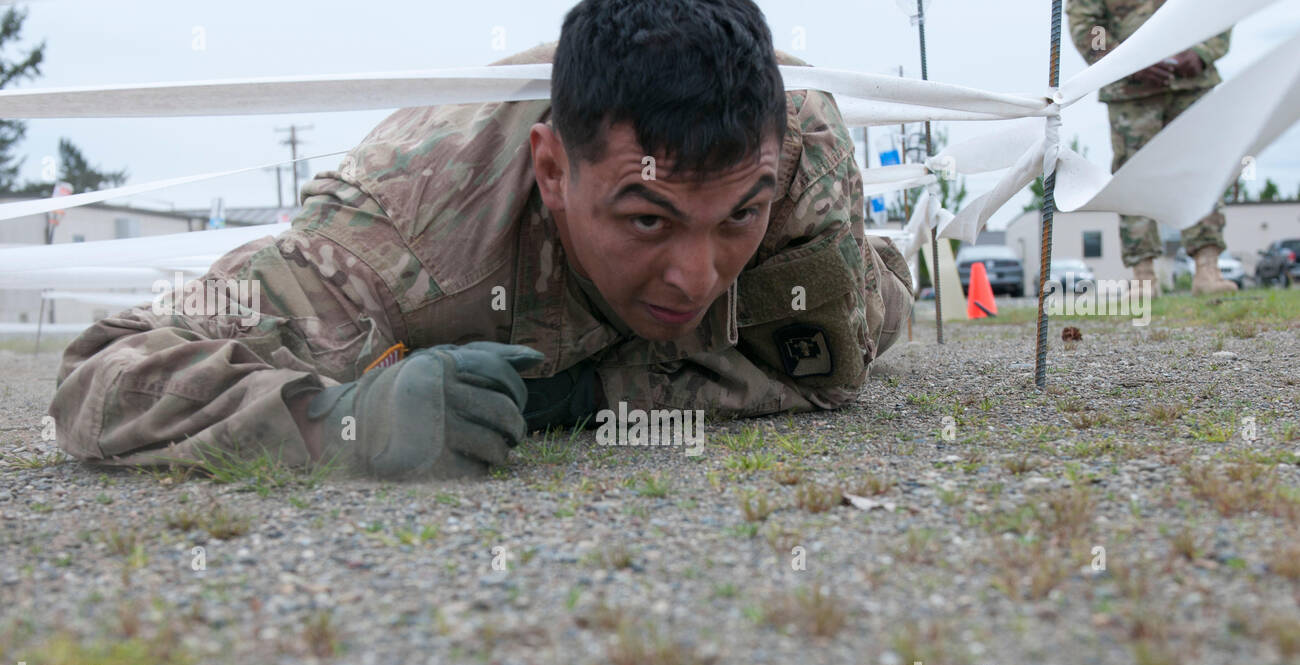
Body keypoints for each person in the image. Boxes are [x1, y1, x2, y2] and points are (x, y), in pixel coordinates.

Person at [49, 0, 914, 479]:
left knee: (875, 308)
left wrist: (586, 397)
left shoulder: (800, 154)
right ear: (552, 170)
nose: (696, 276)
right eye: (647, 219)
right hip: (446, 211)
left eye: (736, 219)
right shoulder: (392, 244)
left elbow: (826, 368)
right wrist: (347, 419)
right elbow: (100, 377)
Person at [1067, 0, 1236, 296]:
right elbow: (1087, 25)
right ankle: (1143, 276)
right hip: (1131, 93)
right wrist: (1129, 61)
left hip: (1192, 84)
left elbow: (1220, 6)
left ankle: (1208, 269)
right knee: (1133, 177)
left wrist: (1203, 51)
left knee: (1202, 171)